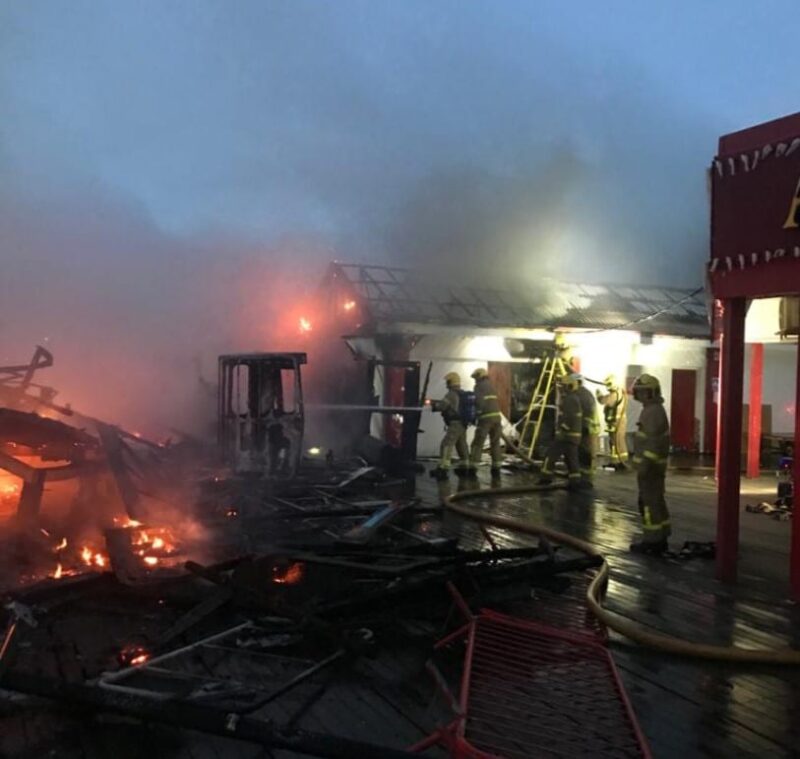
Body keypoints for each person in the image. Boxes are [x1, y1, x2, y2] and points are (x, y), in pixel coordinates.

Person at [629, 373, 671, 554]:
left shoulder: (652, 412)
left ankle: (652, 541)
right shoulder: (652, 409)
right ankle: (661, 536)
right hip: (652, 466)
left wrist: (644, 465)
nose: (641, 395)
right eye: (639, 392)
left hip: (650, 468)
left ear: (653, 392)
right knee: (656, 501)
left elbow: (653, 443)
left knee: (648, 503)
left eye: (645, 392)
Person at [538, 372, 583, 488]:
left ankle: (545, 479)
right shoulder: (573, 398)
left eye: (563, 386)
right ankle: (575, 482)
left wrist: (561, 431)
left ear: (569, 386)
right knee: (572, 460)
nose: (561, 388)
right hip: (573, 437)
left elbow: (570, 418)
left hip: (566, 436)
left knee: (551, 456)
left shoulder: (570, 399)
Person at [429, 372, 471, 480]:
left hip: (455, 424)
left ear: (451, 382)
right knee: (461, 444)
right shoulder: (461, 393)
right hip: (463, 423)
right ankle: (465, 467)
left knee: (446, 444)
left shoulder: (451, 394)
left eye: (447, 382)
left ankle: (443, 468)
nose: (446, 384)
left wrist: (433, 406)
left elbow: (443, 406)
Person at [469, 367, 503, 476]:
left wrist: (476, 415)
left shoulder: (478, 387)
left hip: (486, 419)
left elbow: (479, 402)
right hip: (497, 418)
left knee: (478, 443)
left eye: (475, 378)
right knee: (495, 443)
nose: (475, 380)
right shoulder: (491, 386)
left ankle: (472, 468)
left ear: (479, 376)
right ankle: (496, 468)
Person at [596, 375, 629, 471]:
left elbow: (603, 401)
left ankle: (621, 462)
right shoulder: (618, 393)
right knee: (614, 442)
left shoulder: (615, 394)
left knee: (617, 442)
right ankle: (616, 461)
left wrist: (598, 395)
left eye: (609, 384)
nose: (607, 387)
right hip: (615, 422)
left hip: (617, 422)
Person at [575, 375, 600, 487]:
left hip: (586, 427)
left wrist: (581, 425)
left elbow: (586, 412)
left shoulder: (582, 395)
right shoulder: (583, 393)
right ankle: (583, 475)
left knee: (584, 450)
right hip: (586, 426)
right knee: (582, 450)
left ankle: (585, 477)